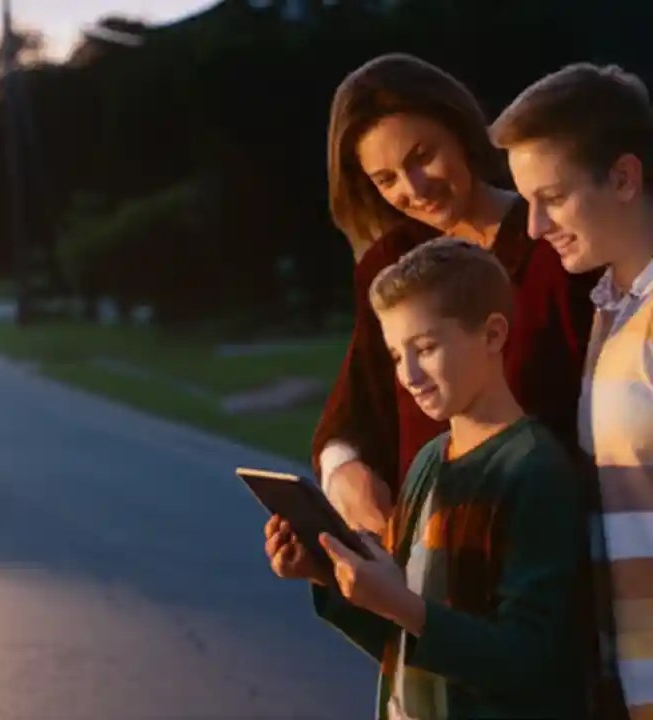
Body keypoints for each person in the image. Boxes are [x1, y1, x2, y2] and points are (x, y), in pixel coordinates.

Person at [267, 237, 587, 719]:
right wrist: (329, 576)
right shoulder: (427, 462)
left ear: (493, 334)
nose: (409, 374)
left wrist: (400, 606)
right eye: (397, 355)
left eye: (426, 347)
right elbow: (407, 643)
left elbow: (529, 660)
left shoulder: (534, 470)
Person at [312, 53, 596, 536]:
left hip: (544, 551)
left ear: (460, 129)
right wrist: (343, 474)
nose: (414, 188)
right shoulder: (392, 263)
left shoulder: (556, 244)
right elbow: (355, 409)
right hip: (429, 561)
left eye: (422, 156)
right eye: (386, 180)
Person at [492, 61, 653, 720]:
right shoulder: (611, 315)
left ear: (622, 177)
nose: (532, 227)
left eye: (551, 197)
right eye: (525, 200)